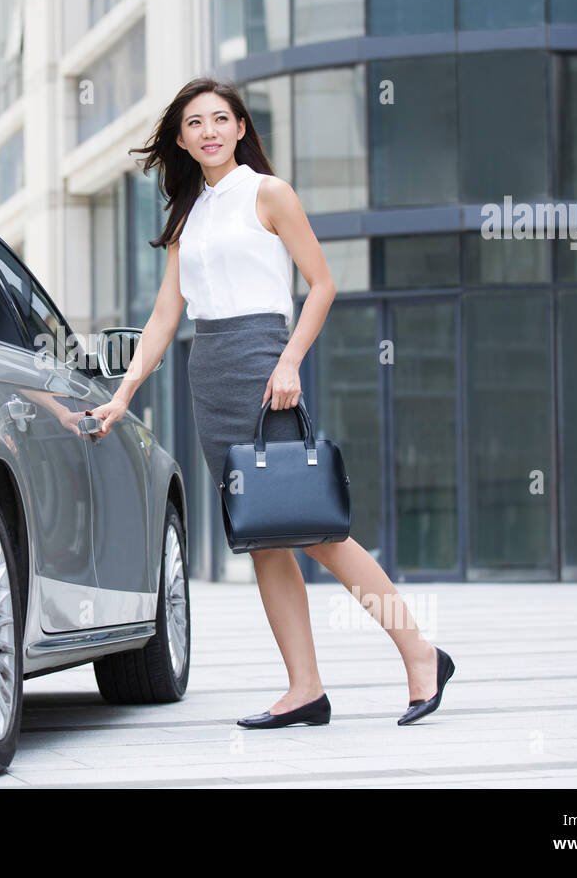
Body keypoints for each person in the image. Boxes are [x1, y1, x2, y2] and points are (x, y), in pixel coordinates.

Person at [85, 77, 454, 729]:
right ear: (180, 138)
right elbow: (167, 315)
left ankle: (421, 652)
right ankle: (305, 688)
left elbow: (322, 283)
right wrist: (123, 395)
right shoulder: (187, 214)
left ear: (239, 127)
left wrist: (289, 360)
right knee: (264, 537)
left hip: (262, 357)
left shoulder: (268, 192)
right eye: (195, 122)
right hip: (212, 370)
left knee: (319, 530)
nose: (209, 131)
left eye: (221, 118)